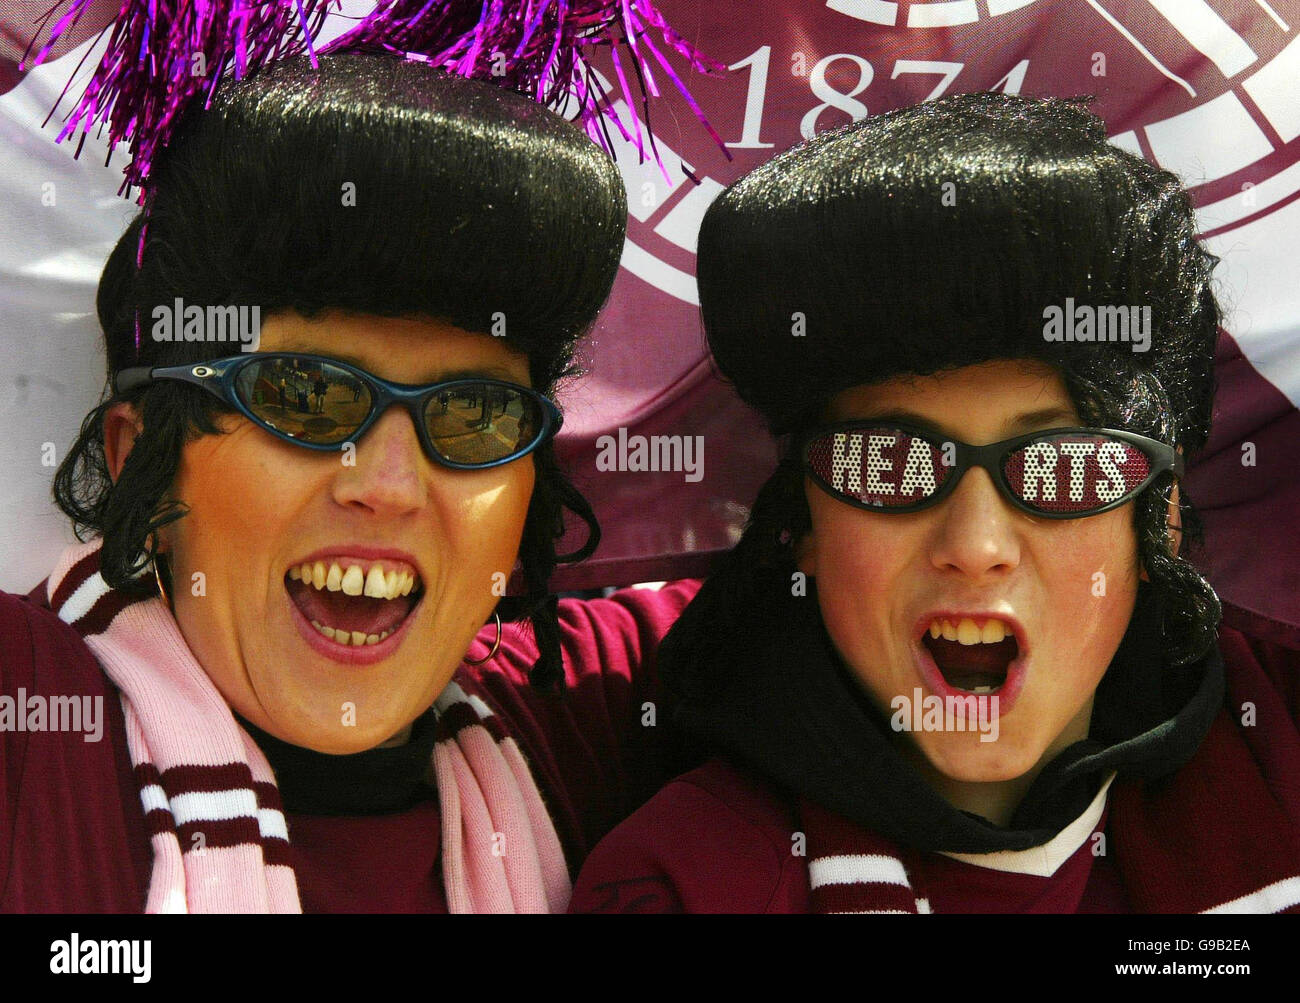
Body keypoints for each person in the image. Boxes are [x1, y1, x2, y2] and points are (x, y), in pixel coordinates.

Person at [0, 53, 699, 913]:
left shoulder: (578, 710)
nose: (391, 485)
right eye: (307, 396)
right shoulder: (28, 714)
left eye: (474, 415)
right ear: (135, 455)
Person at [570, 92, 1300, 914]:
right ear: (801, 526)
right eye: (892, 464)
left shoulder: (1279, 740)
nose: (977, 543)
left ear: (1159, 522)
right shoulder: (689, 884)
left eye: (1062, 469)